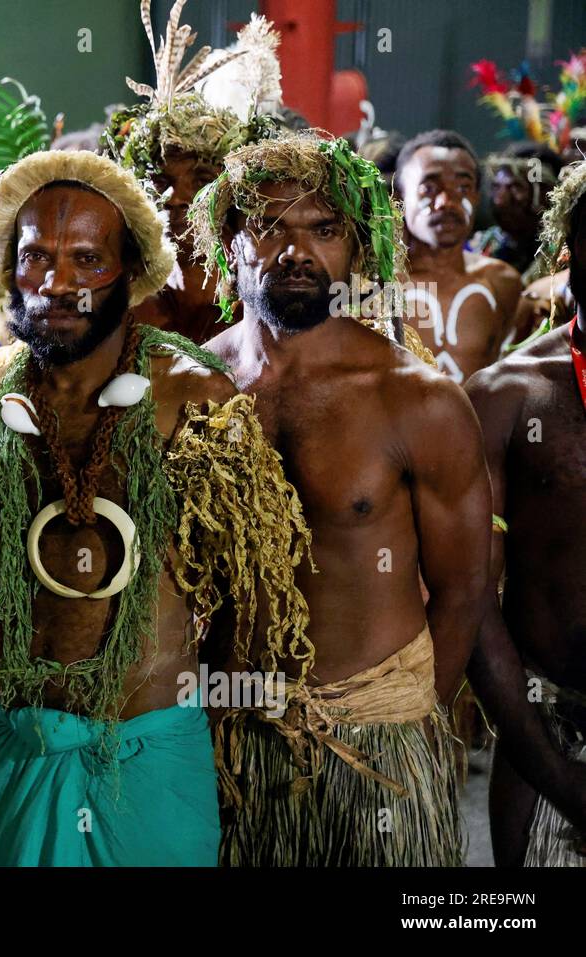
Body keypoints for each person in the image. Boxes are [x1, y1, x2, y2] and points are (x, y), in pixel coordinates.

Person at [0, 149, 312, 866]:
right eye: (35, 258)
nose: (56, 283)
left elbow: (258, 592)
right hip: (18, 747)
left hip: (149, 759)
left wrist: (227, 732)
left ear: (131, 272)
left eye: (87, 259)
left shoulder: (195, 398)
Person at [195, 132, 492, 865]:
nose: (297, 250)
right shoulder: (194, 386)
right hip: (231, 742)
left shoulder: (416, 399)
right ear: (231, 239)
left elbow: (463, 592)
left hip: (380, 748)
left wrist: (410, 719)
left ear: (355, 249)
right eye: (270, 224)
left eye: (323, 230)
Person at [464, 160, 586, 866]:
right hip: (550, 727)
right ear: (567, 248)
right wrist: (553, 766)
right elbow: (470, 596)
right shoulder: (504, 394)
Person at [102, 0, 282, 343]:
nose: (178, 198)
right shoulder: (120, 294)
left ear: (232, 192)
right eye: (161, 182)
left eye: (201, 182)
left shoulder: (264, 292)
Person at [397, 130, 523, 382]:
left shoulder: (503, 283)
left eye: (463, 187)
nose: (446, 202)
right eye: (429, 188)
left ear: (476, 197)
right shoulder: (374, 283)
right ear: (400, 197)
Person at [470, 143, 566, 281]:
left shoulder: (563, 252)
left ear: (546, 193)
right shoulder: (481, 245)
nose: (500, 200)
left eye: (515, 187)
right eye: (496, 187)